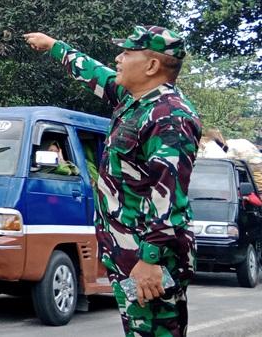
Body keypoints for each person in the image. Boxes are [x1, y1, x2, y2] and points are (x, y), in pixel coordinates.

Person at [25, 26, 201, 336]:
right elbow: (95, 73)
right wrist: (52, 45)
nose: (118, 58)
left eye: (127, 53)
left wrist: (150, 260)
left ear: (151, 66)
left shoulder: (169, 117)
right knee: (138, 327)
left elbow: (169, 197)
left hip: (150, 260)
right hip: (128, 254)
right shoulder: (135, 101)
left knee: (154, 329)